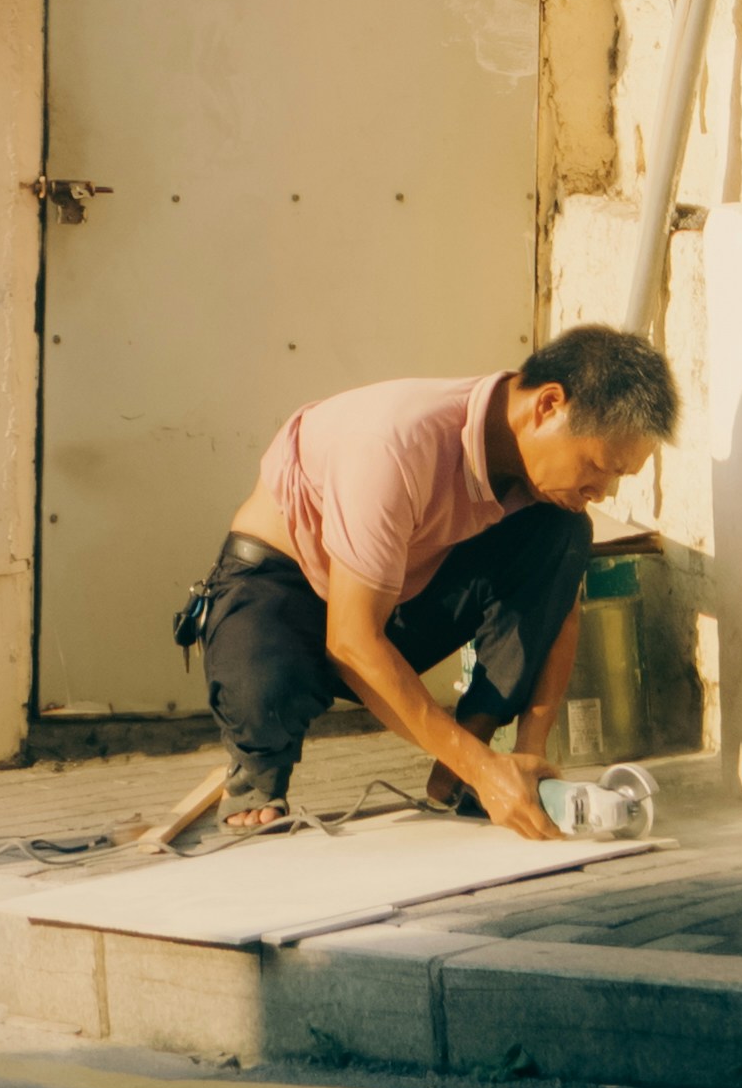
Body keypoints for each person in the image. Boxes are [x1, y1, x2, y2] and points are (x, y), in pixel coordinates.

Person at [184, 323, 677, 838]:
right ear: (548, 406)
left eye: (619, 477)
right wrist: (484, 770)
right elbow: (350, 641)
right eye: (598, 466)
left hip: (388, 600)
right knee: (264, 691)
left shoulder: (536, 481)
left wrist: (530, 755)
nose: (604, 490)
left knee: (565, 532)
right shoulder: (393, 443)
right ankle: (259, 770)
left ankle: (467, 753)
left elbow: (556, 611)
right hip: (283, 592)